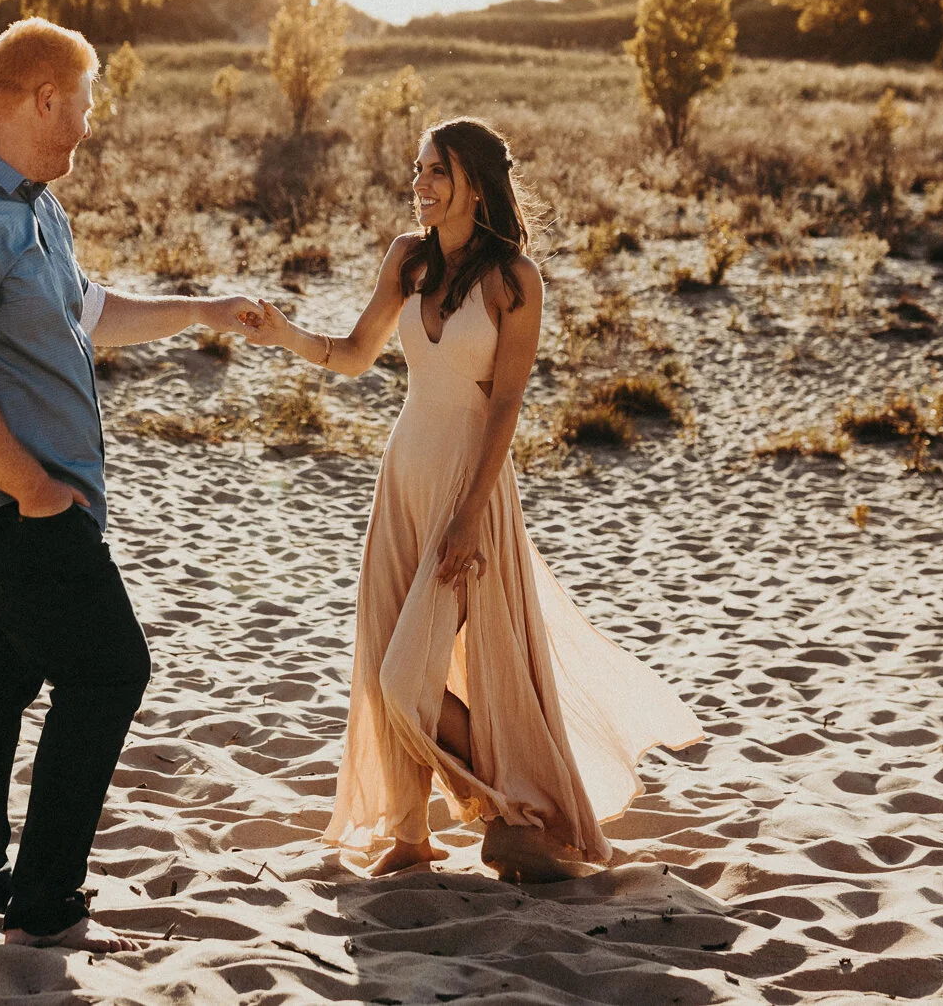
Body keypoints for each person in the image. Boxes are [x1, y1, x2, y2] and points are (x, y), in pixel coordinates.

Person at [0, 18, 264, 951]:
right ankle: (45, 899)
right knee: (109, 670)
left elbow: (86, 311)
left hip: (13, 493)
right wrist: (38, 493)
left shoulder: (27, 200)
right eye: (85, 107)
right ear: (42, 96)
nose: (89, 128)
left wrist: (201, 310)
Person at [253, 118, 701, 881]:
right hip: (403, 475)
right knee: (380, 658)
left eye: (435, 172)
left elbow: (505, 405)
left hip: (471, 486)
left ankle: (513, 809)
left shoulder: (515, 279)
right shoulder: (407, 257)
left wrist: (469, 514)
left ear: (474, 183)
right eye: (417, 169)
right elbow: (358, 355)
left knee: (408, 676)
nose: (419, 184)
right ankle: (409, 832)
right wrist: (283, 332)